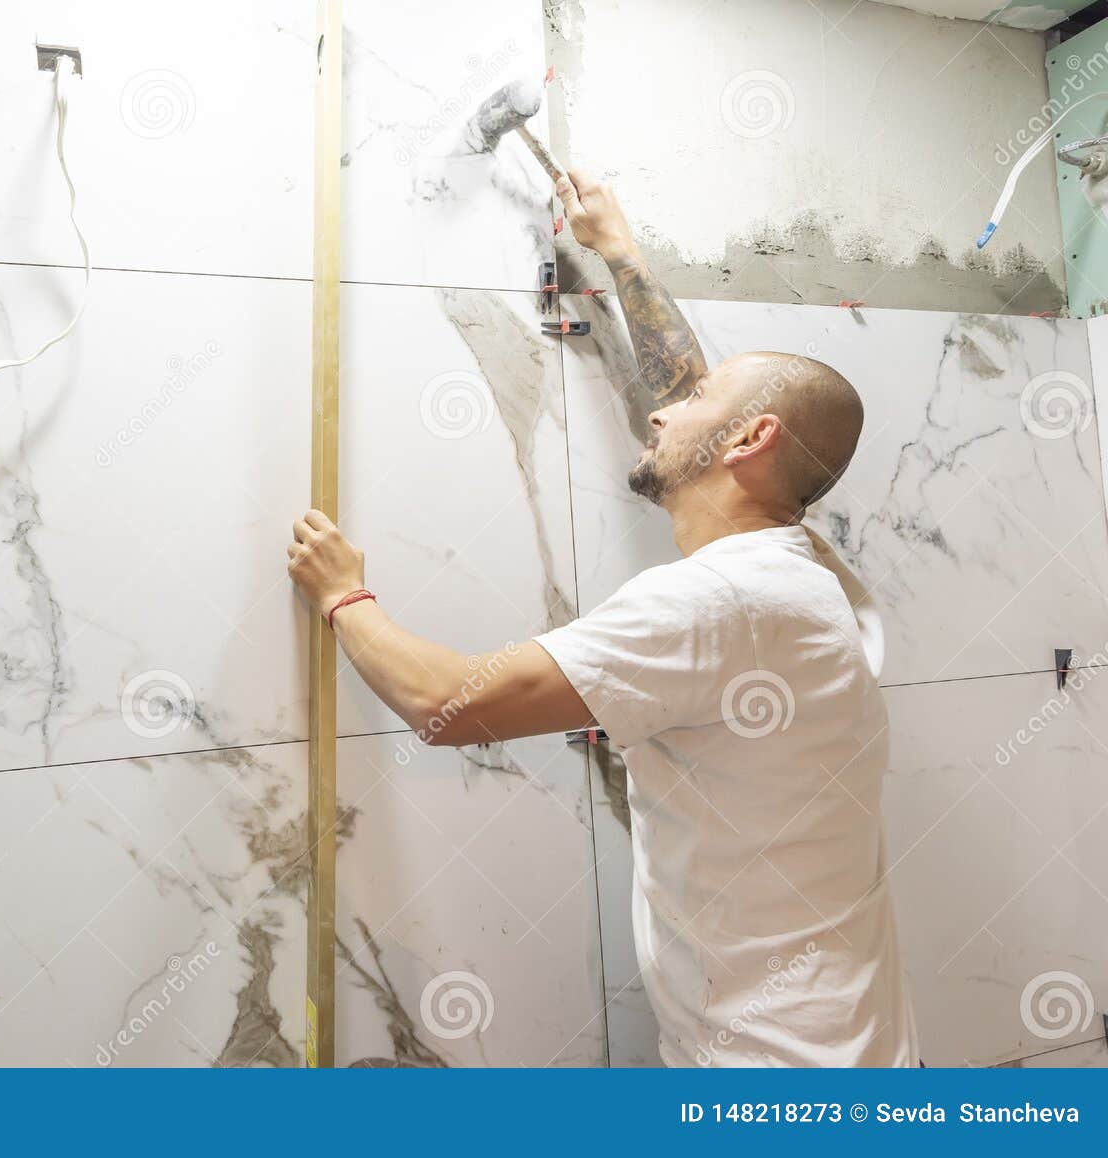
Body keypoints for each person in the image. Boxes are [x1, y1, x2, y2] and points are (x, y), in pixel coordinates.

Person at [286, 168, 918, 1067]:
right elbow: (707, 407)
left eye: (691, 407)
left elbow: (448, 704)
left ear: (749, 443)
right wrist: (619, 255)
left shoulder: (719, 602)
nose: (660, 408)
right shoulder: (805, 576)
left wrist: (345, 593)